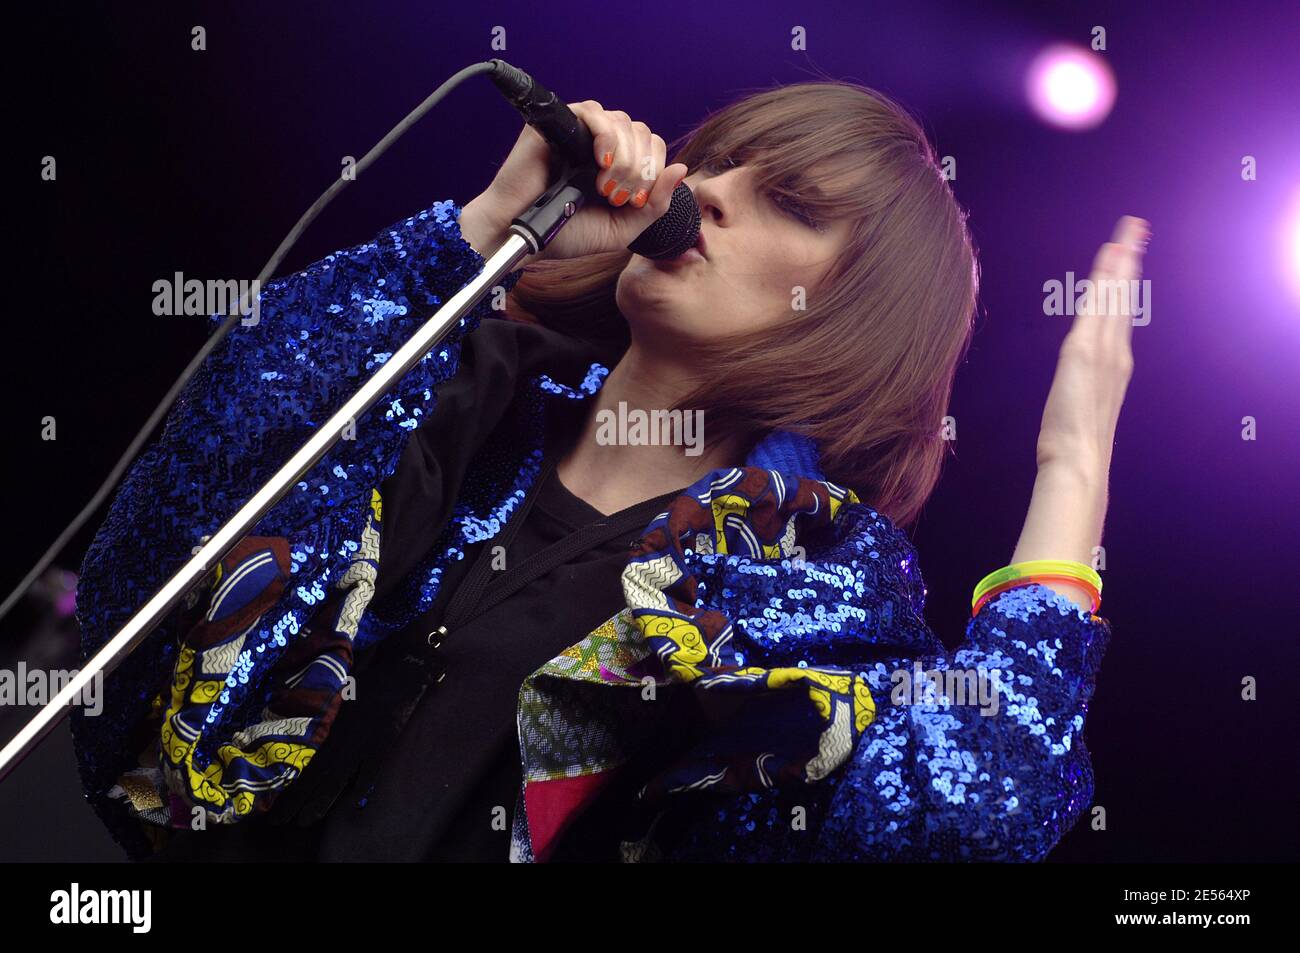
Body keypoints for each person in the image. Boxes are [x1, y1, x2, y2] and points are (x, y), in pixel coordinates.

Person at [72, 81, 1145, 862]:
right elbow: (183, 506)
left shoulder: (805, 602)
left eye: (794, 202)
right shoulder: (443, 398)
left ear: (860, 322)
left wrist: (1071, 465)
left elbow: (968, 818)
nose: (709, 190)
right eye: (715, 160)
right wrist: (484, 233)